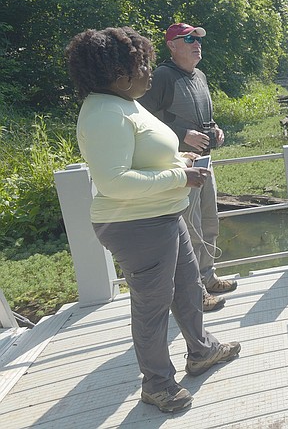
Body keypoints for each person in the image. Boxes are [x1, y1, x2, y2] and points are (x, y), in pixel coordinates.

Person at [66, 26, 241, 413]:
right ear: (117, 72)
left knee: (188, 287)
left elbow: (143, 158)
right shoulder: (103, 113)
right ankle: (158, 385)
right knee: (152, 307)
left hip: (162, 215)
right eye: (141, 64)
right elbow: (114, 181)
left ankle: (202, 351)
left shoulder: (124, 103)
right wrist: (181, 177)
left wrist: (180, 160)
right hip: (136, 226)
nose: (149, 71)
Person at [138, 22, 237, 312]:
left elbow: (204, 115)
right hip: (180, 166)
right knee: (189, 228)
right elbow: (143, 120)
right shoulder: (162, 77)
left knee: (209, 221)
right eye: (189, 39)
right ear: (172, 45)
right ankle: (193, 293)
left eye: (198, 39)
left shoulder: (200, 76)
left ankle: (208, 276)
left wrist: (215, 129)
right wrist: (182, 135)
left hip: (205, 161)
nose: (197, 44)